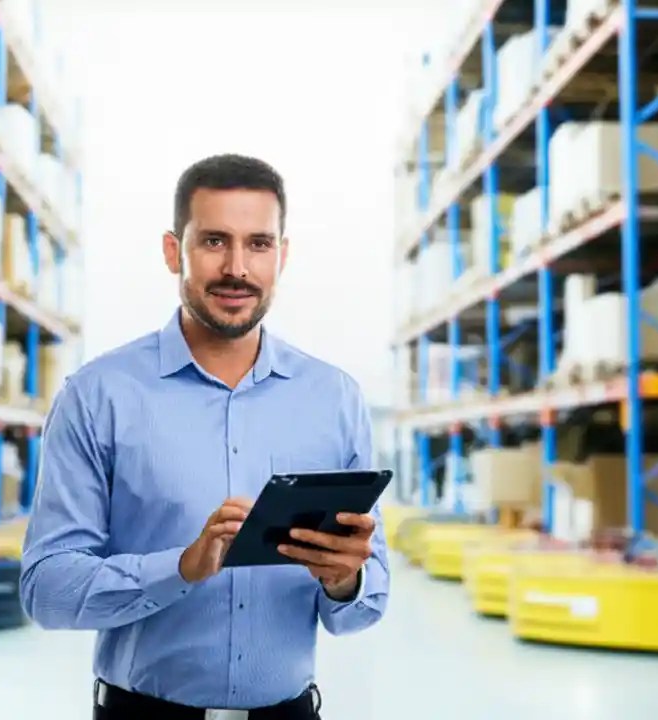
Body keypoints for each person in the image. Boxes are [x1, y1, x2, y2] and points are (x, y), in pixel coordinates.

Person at [20, 153, 390, 719]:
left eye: (259, 244)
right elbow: (46, 590)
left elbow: (365, 605)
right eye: (214, 241)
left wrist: (346, 580)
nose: (237, 267)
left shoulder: (334, 399)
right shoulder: (98, 396)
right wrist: (181, 567)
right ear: (175, 251)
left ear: (282, 255)